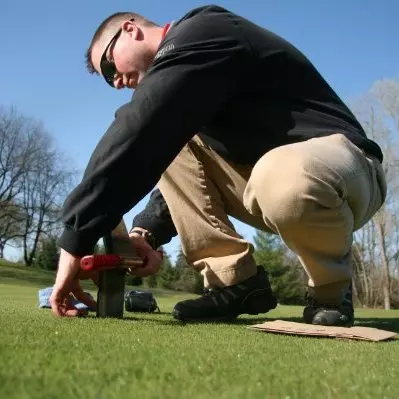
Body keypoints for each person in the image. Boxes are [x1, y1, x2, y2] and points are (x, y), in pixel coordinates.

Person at [50, 5, 386, 326]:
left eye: (110, 68)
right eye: (108, 82)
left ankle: (330, 293)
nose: (116, 83)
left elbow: (142, 125)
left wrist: (77, 237)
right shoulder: (191, 91)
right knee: (170, 135)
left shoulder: (205, 30)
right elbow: (186, 168)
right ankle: (235, 283)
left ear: (130, 30)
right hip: (269, 186)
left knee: (160, 126)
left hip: (348, 172)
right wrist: (145, 234)